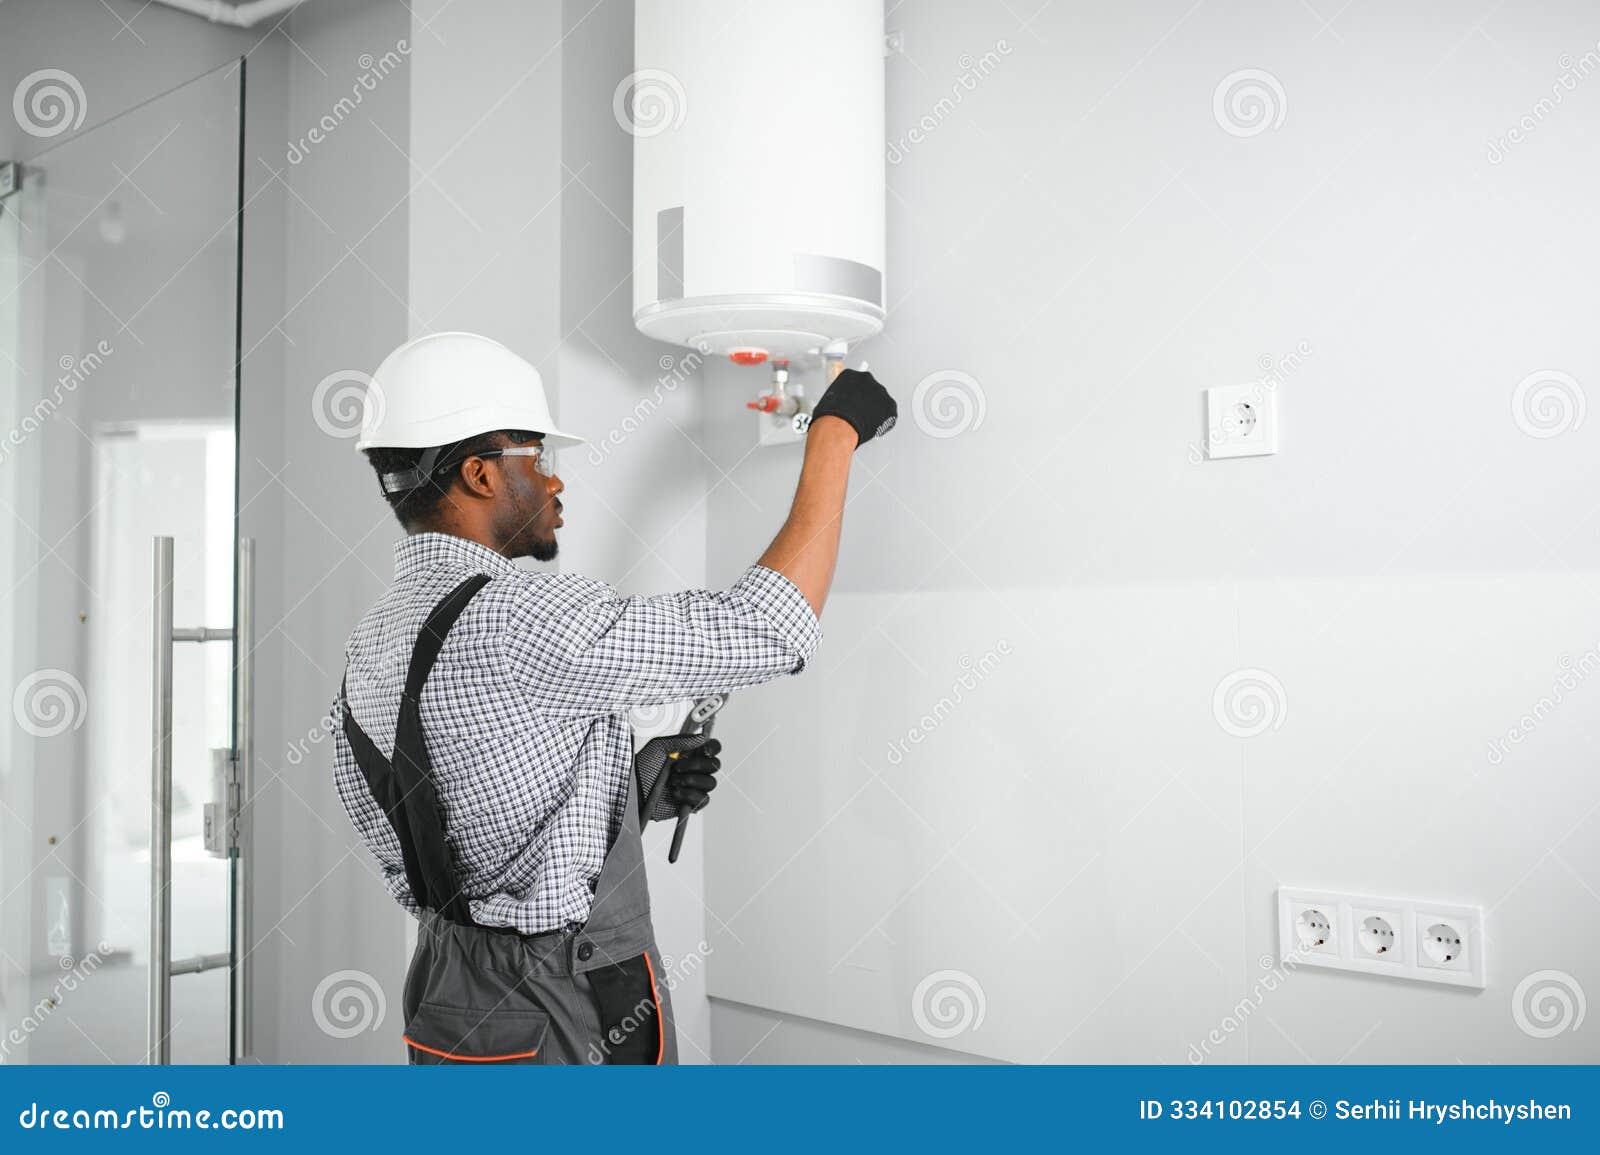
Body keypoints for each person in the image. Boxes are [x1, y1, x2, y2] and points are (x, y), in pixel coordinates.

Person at [328, 331, 897, 1064]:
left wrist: (627, 790)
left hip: (446, 994)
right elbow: (769, 627)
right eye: (538, 455)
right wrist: (835, 431)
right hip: (566, 1003)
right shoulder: (517, 616)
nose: (556, 481)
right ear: (479, 474)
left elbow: (441, 840)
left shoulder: (371, 641)